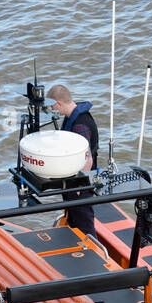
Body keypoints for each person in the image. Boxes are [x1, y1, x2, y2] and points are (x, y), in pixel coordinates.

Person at [48, 85, 99, 233]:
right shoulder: (72, 117)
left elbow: (87, 160)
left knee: (84, 225)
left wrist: (78, 186)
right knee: (73, 220)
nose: (51, 110)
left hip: (80, 185)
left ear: (59, 103)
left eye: (52, 106)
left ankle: (93, 252)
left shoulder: (80, 125)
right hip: (74, 181)